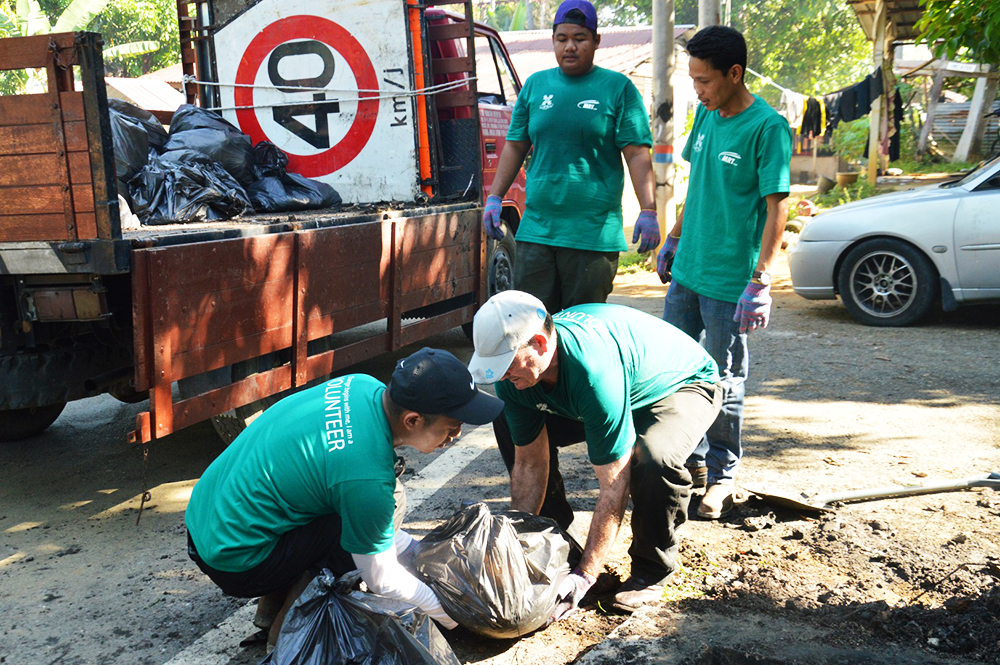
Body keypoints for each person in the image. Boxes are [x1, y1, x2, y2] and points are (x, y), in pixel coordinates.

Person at [185, 348, 504, 648]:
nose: (456, 435)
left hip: (205, 520)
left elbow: (371, 520)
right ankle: (290, 632)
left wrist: (423, 552)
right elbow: (381, 577)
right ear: (412, 420)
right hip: (237, 563)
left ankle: (270, 608)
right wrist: (453, 617)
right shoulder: (366, 478)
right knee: (378, 510)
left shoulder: (361, 385)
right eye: (453, 426)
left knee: (367, 505)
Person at [468, 290, 721, 617]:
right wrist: (517, 546)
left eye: (505, 365)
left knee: (654, 459)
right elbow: (530, 462)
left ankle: (651, 571)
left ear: (540, 344)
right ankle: (553, 544)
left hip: (679, 385)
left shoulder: (592, 372)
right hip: (612, 390)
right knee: (506, 416)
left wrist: (586, 576)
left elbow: (614, 482)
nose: (501, 376)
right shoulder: (515, 377)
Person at [656, 25, 791, 520]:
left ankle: (723, 474)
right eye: (692, 79)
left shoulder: (767, 127)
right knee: (675, 373)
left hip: (730, 284)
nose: (698, 89)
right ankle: (687, 463)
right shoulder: (707, 118)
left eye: (705, 81)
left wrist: (761, 279)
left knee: (724, 381)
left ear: (734, 74)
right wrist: (673, 238)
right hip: (689, 273)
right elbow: (698, 185)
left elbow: (776, 208)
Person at [481, 0, 658, 313]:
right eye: (562, 39)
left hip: (591, 235)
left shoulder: (618, 88)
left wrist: (648, 209)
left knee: (581, 328)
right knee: (533, 326)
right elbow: (515, 145)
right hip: (538, 230)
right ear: (553, 40)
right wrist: (495, 197)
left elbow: (636, 153)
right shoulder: (536, 85)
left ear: (596, 41)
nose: (570, 47)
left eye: (580, 38)